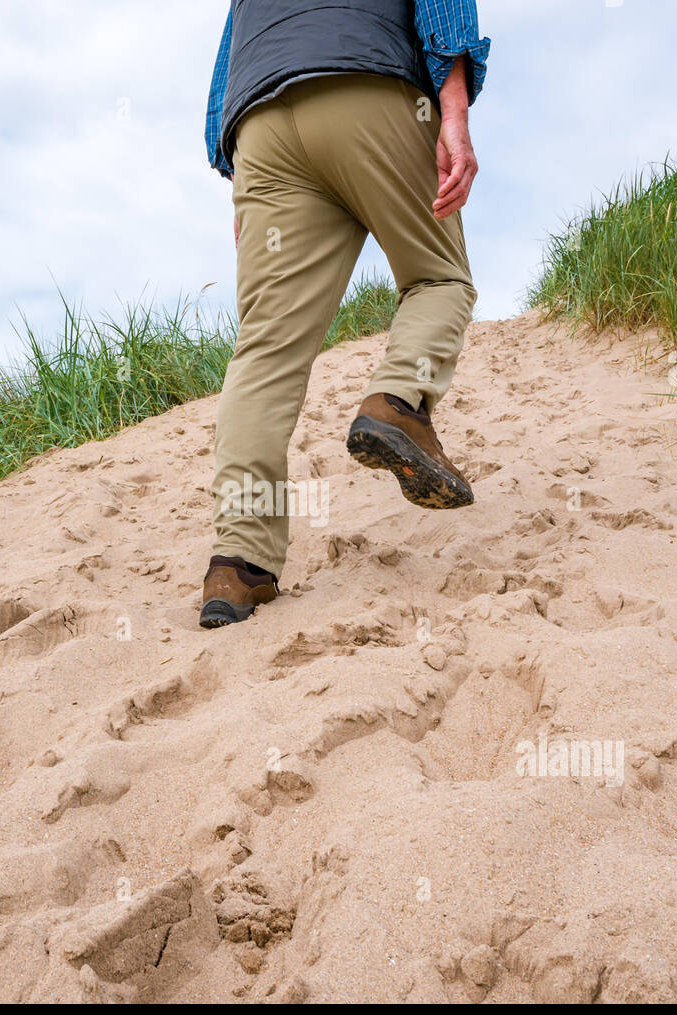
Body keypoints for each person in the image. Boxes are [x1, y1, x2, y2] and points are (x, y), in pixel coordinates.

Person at [200, 0, 489, 627]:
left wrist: (240, 172)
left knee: (266, 349)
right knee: (438, 277)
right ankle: (397, 403)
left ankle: (237, 565)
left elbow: (228, 59)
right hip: (369, 88)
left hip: (263, 127)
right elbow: (443, 7)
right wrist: (455, 113)